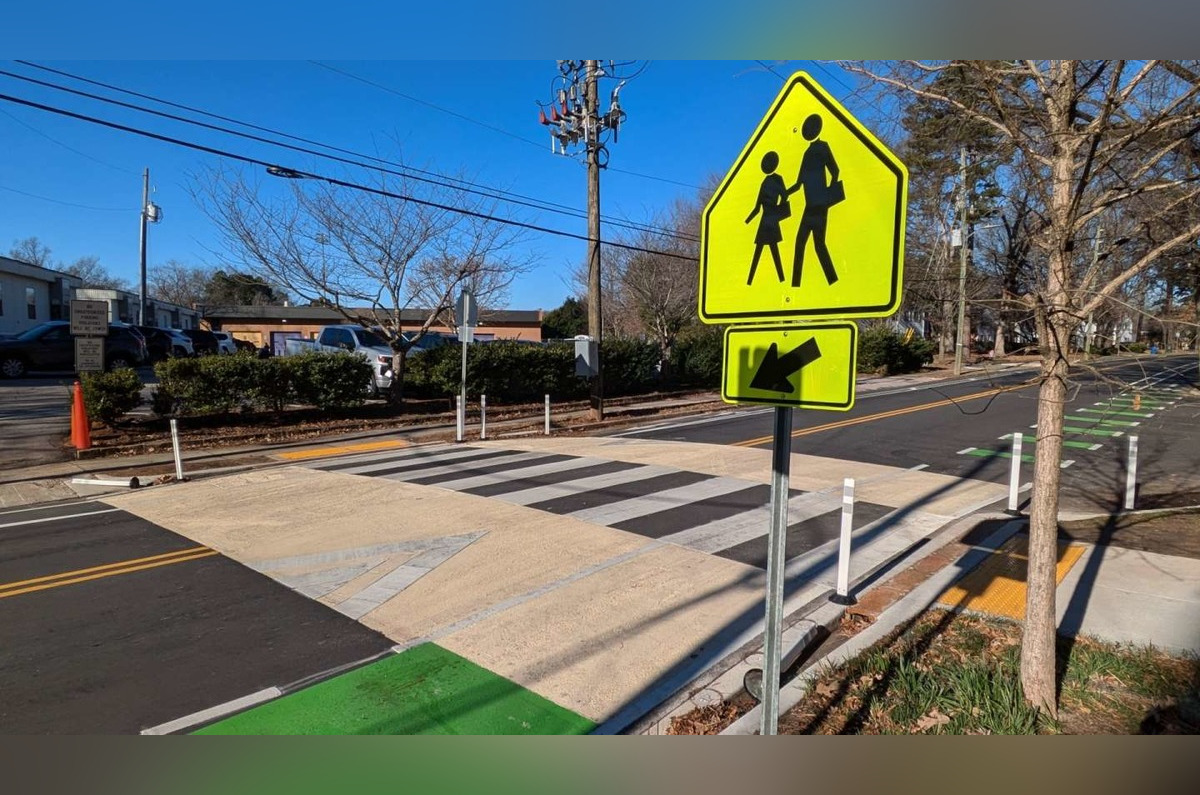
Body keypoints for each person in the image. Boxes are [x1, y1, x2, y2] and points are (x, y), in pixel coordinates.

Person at [787, 113, 842, 287]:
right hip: (809, 206)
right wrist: (786, 193)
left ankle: (832, 281)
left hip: (819, 206)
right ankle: (796, 284)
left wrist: (828, 194)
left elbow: (835, 171)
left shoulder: (823, 147)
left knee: (818, 244)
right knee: (801, 243)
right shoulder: (806, 153)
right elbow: (799, 182)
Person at [744, 150, 789, 285]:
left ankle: (781, 279)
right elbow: (757, 207)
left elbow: (784, 196)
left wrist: (778, 209)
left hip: (768, 220)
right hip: (767, 220)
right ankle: (751, 281)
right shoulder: (767, 182)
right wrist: (746, 221)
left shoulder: (774, 180)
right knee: (763, 251)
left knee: (772, 251)